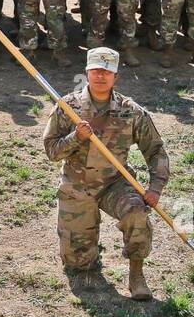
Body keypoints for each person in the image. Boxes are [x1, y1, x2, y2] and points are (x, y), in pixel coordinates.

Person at [43, 47, 170, 301]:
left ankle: (136, 273)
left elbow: (155, 150)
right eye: (96, 71)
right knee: (77, 264)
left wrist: (155, 188)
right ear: (86, 73)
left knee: (136, 212)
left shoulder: (131, 111)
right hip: (77, 188)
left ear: (116, 77)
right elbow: (52, 151)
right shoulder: (68, 108)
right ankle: (86, 249)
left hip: (115, 184)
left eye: (107, 72)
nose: (101, 76)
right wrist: (74, 137)